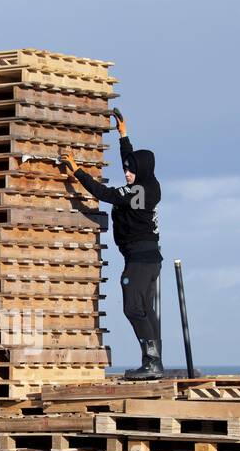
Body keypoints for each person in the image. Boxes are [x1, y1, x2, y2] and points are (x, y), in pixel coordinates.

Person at [61, 108, 164, 380]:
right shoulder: (149, 183)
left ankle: (151, 362)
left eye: (131, 170)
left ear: (139, 172)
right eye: (126, 169)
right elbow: (131, 164)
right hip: (150, 259)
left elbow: (104, 193)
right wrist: (123, 137)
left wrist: (78, 172)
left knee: (133, 308)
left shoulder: (138, 192)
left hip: (140, 260)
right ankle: (154, 362)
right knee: (146, 309)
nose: (127, 173)